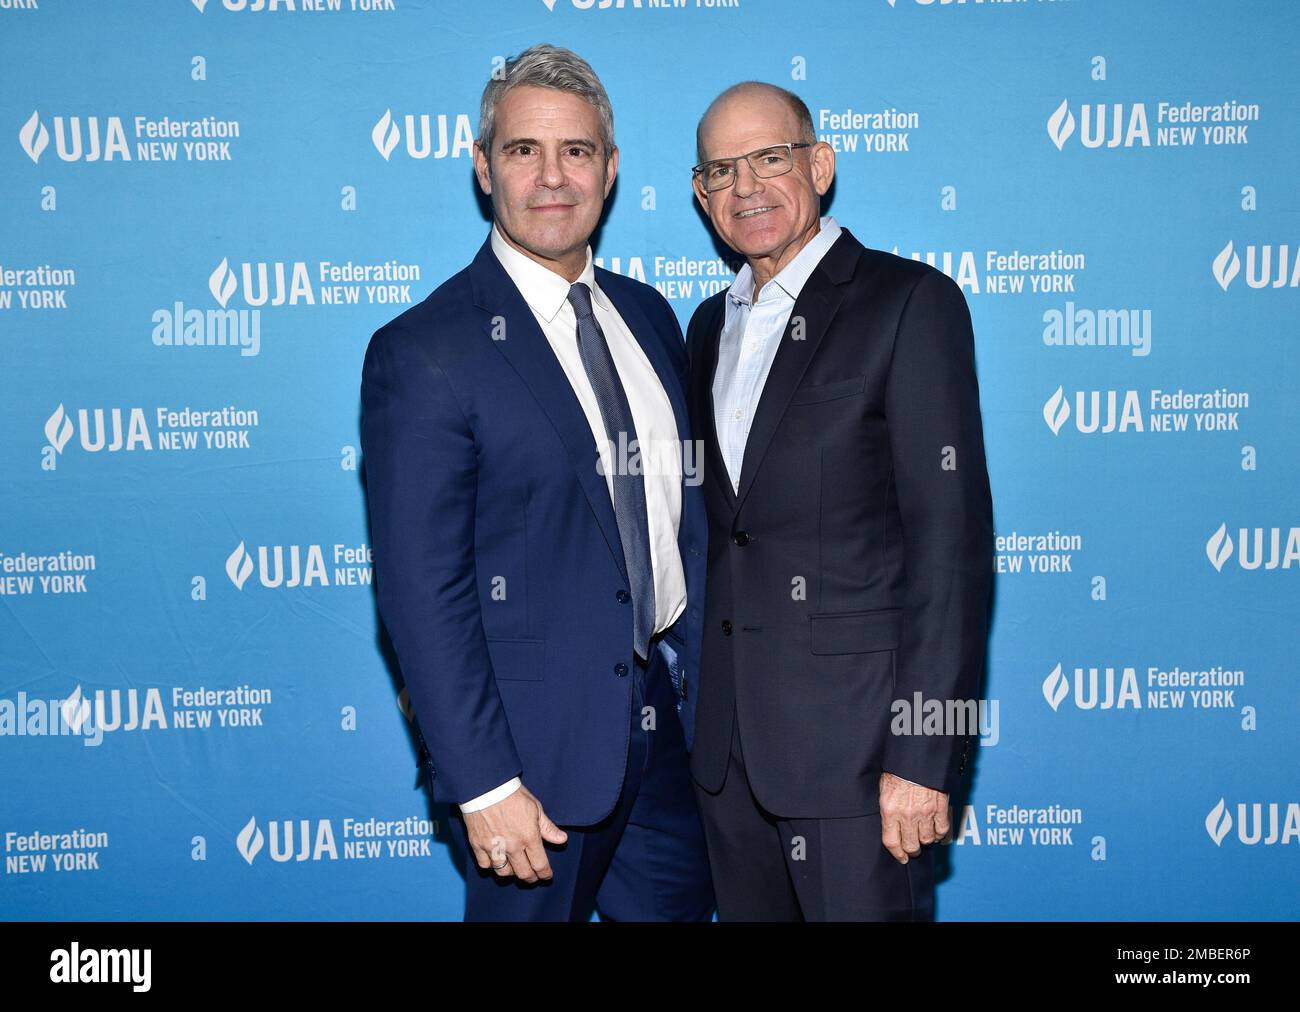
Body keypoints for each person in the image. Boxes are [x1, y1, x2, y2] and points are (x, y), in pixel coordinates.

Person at [359, 44, 712, 922]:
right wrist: (483, 784)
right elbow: (420, 588)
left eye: (576, 151)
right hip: (532, 764)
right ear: (484, 168)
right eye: (524, 150)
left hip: (670, 735)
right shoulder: (424, 350)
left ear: (611, 168)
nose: (552, 177)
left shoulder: (648, 316)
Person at [684, 81, 994, 921]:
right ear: (701, 195)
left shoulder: (909, 302)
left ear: (819, 165)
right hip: (728, 762)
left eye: (770, 158)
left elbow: (951, 549)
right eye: (721, 170)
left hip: (862, 762)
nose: (746, 186)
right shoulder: (707, 327)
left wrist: (923, 754)